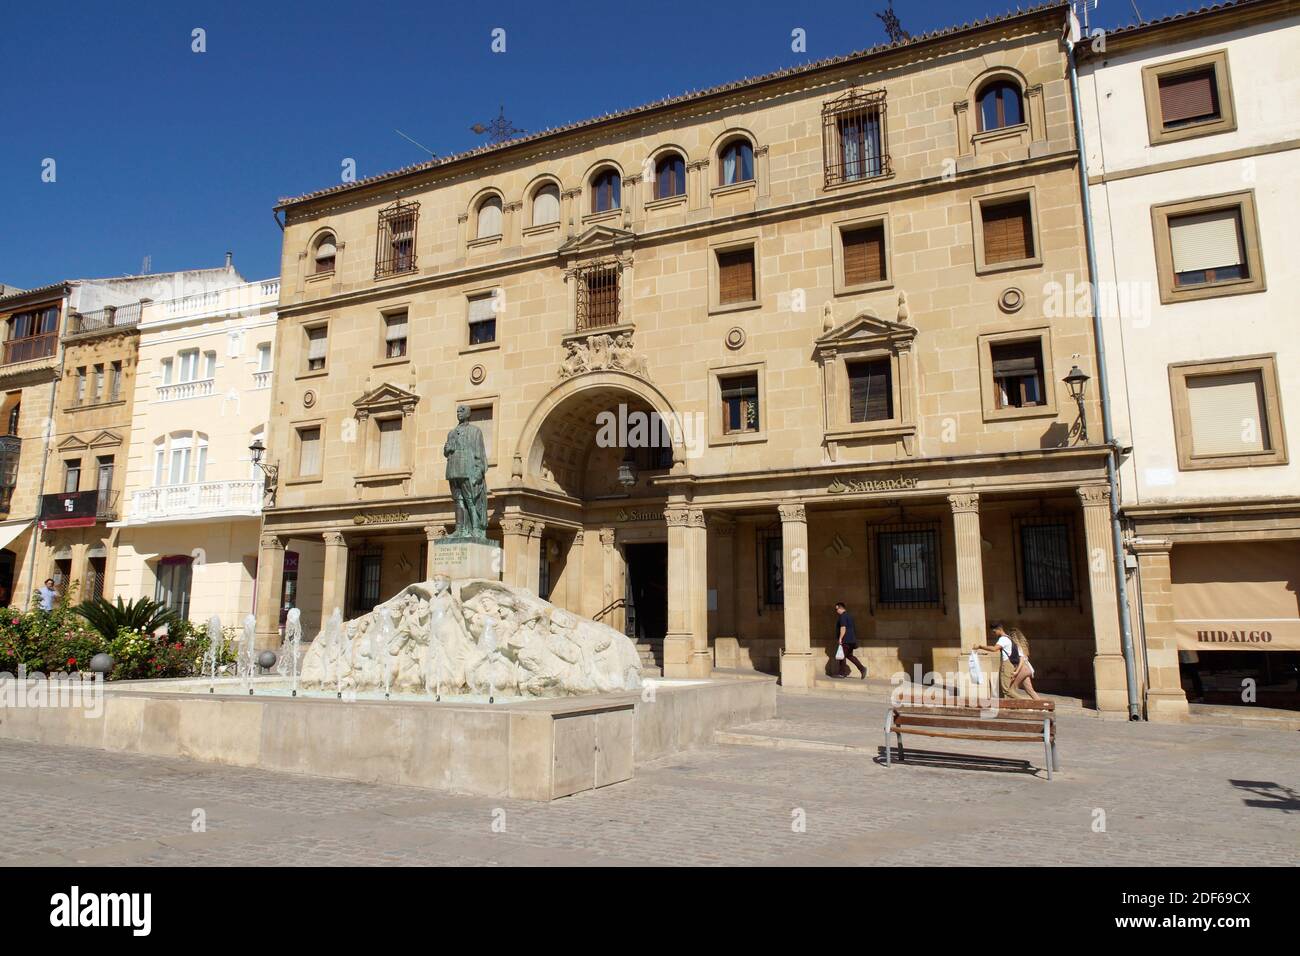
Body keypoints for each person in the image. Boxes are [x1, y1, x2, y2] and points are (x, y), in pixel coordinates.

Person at [975, 622, 1040, 700]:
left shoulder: (1005, 640)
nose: (994, 634)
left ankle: (1026, 704)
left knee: (1009, 690)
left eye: (994, 632)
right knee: (1030, 690)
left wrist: (980, 646)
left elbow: (994, 649)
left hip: (1019, 668)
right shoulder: (1013, 642)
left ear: (999, 629)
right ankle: (1042, 706)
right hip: (1027, 668)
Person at [832, 601, 867, 679]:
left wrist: (840, 638)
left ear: (840, 608)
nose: (836, 611)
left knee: (842, 656)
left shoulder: (842, 616)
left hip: (846, 640)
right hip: (851, 640)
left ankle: (841, 673)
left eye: (836, 609)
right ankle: (862, 669)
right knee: (849, 655)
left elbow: (843, 628)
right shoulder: (849, 616)